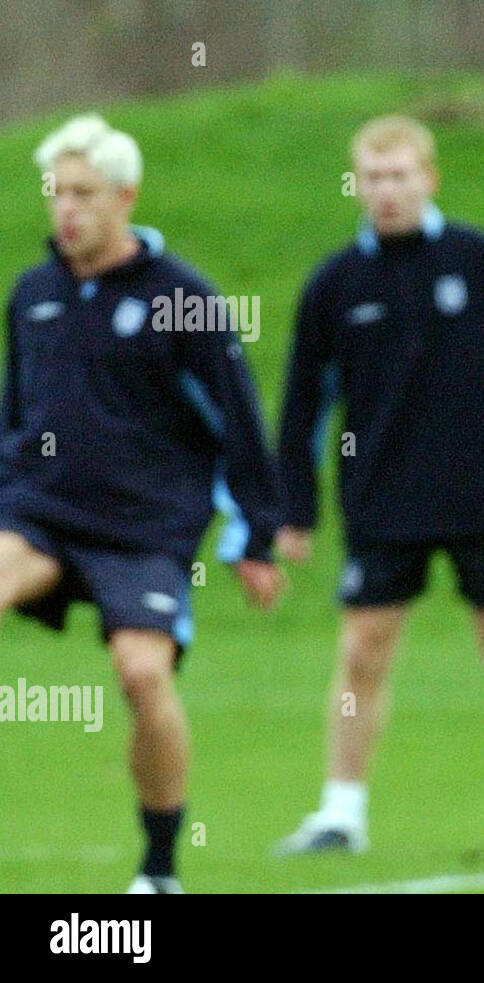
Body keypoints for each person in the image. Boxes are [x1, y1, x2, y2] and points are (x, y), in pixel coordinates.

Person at [0, 114, 285, 894]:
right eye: (57, 193)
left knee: (142, 676)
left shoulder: (181, 298)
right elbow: (14, 414)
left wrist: (256, 534)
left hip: (143, 528)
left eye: (85, 194)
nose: (67, 210)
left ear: (127, 195)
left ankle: (158, 869)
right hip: (40, 515)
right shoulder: (32, 294)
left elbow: (239, 421)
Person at [273, 115, 484, 859]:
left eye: (400, 176)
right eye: (373, 178)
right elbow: (303, 402)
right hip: (381, 495)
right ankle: (341, 810)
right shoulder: (334, 284)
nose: (387, 191)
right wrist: (294, 509)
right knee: (363, 648)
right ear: (357, 183)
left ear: (428, 177)